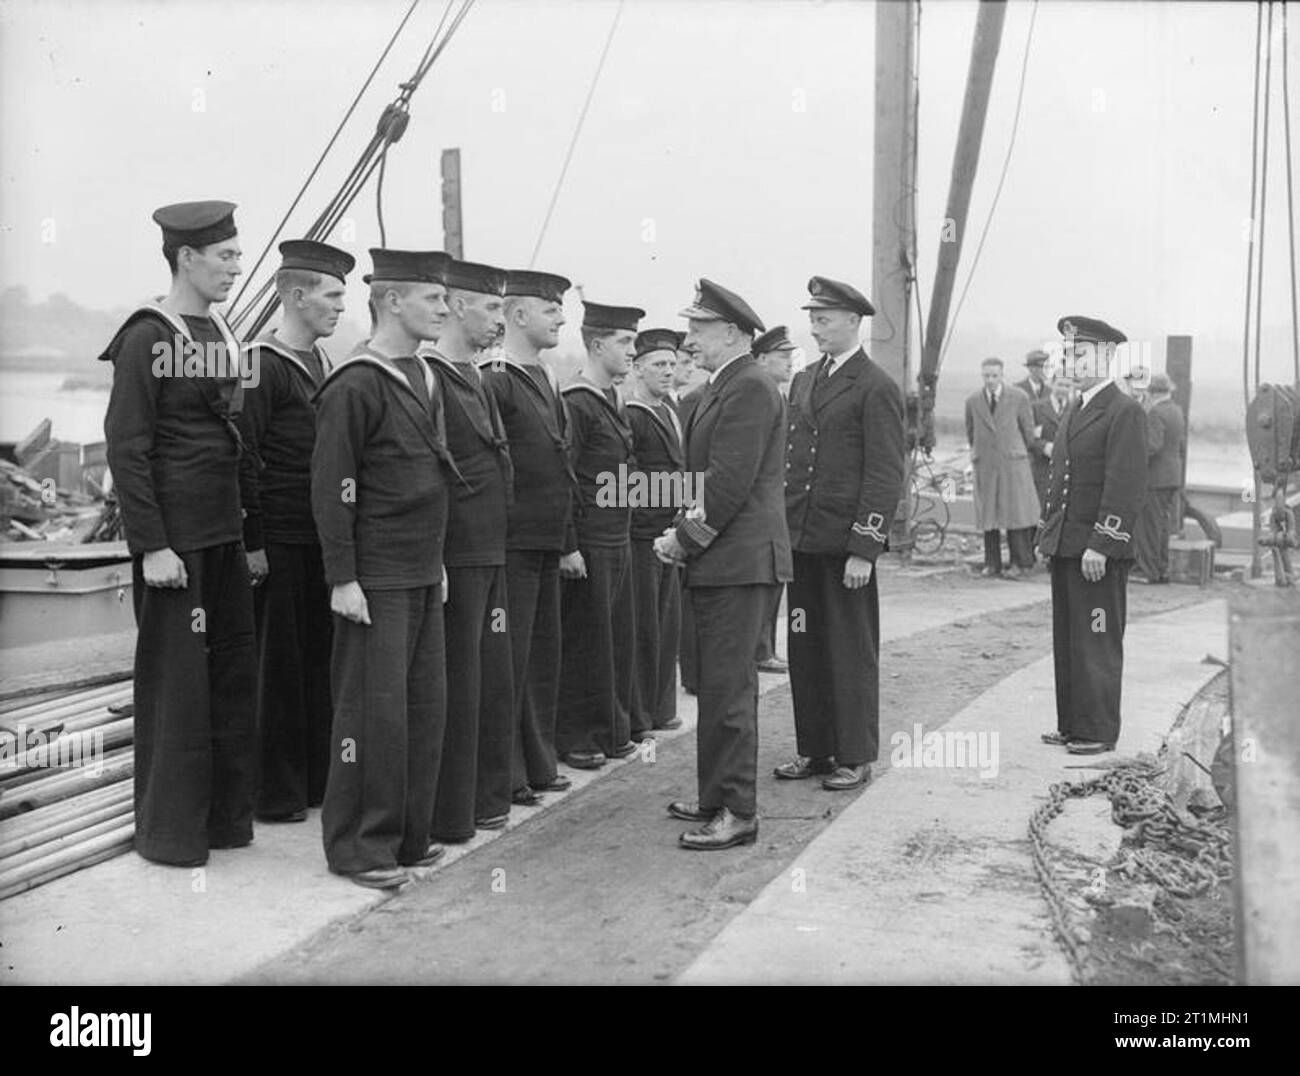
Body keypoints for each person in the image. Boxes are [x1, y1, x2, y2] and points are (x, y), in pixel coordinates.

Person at [101, 199, 257, 867]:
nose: (235, 267)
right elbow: (127, 447)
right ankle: (170, 836)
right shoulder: (147, 335)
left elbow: (233, 435)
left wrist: (246, 537)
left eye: (237, 254)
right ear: (186, 258)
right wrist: (154, 545)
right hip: (176, 546)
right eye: (225, 257)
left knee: (229, 682)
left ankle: (222, 823)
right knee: (179, 690)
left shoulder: (217, 331)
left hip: (221, 537)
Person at [311, 248, 457, 889]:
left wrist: (440, 562)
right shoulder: (356, 382)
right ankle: (358, 848)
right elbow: (332, 486)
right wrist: (343, 577)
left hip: (423, 571)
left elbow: (433, 477)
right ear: (393, 301)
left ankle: (404, 836)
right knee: (372, 718)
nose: (444, 309)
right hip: (375, 578)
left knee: (422, 710)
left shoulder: (424, 376)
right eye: (433, 299)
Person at [657, 278, 792, 850]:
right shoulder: (724, 386)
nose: (690, 341)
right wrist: (677, 529)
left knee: (732, 690)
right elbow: (700, 478)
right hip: (723, 562)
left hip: (739, 562)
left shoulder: (750, 388)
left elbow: (728, 483)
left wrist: (683, 540)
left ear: (732, 332)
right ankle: (715, 794)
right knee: (714, 686)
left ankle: (739, 810)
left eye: (698, 329)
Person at [237, 239, 354, 825]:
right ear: (298, 295)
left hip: (318, 541)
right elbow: (245, 458)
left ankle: (311, 783)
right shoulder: (261, 364)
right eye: (331, 295)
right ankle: (274, 794)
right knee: (278, 670)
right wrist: (254, 543)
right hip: (278, 541)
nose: (340, 306)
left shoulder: (324, 365)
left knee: (317, 665)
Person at [775, 276, 905, 792]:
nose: (816, 328)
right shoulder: (805, 380)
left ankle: (854, 753)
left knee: (849, 649)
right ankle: (816, 748)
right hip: (804, 539)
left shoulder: (876, 386)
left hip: (845, 545)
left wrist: (865, 547)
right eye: (812, 319)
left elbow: (884, 473)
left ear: (854, 322)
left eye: (824, 319)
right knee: (805, 644)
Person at [423, 259, 518, 841]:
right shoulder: (432, 374)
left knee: (488, 680)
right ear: (458, 308)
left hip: (490, 550)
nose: (499, 321)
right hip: (456, 554)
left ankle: (484, 798)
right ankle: (450, 812)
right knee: (456, 685)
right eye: (490, 308)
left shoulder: (475, 375)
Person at [482, 270, 576, 802]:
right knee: (509, 661)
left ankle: (537, 762)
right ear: (518, 316)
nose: (561, 318)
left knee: (541, 658)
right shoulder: (496, 377)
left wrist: (565, 540)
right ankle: (508, 772)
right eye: (550, 309)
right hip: (512, 541)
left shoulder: (544, 376)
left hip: (543, 539)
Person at [1037, 315, 1147, 755]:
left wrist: (1102, 543)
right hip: (1067, 545)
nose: (1070, 361)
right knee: (1069, 638)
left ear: (1106, 356)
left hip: (1096, 550)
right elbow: (1060, 478)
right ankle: (1073, 723)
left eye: (1078, 353)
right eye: (1067, 354)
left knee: (1096, 639)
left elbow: (1125, 486)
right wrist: (1049, 536)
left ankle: (1098, 729)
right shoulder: (1076, 407)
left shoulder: (1124, 411)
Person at [556, 301, 644, 769]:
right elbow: (565, 476)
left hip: (617, 536)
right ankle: (576, 736)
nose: (632, 351)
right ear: (596, 344)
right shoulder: (578, 402)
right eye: (624, 342)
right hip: (589, 541)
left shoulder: (612, 399)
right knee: (586, 642)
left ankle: (610, 728)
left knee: (613, 640)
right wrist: (568, 543)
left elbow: (620, 475)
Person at [626, 328, 686, 741]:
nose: (668, 372)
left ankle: (661, 708)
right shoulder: (632, 414)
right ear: (638, 369)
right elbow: (623, 482)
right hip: (643, 534)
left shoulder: (669, 411)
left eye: (671, 364)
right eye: (658, 365)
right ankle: (640, 713)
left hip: (669, 533)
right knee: (644, 626)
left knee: (667, 624)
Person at [965, 357, 1040, 577]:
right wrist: (981, 453)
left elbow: (1028, 431)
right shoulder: (973, 401)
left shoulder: (1019, 398)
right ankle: (992, 563)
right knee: (989, 517)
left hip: (1012, 463)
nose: (990, 380)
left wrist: (1017, 452)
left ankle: (1021, 562)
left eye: (994, 376)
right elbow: (971, 432)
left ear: (1002, 375)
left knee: (1015, 514)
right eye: (986, 376)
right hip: (986, 465)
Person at [751, 324, 797, 674]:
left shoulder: (778, 398)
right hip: (754, 514)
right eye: (783, 356)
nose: (790, 363)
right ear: (762, 359)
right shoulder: (759, 397)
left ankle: (765, 648)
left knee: (773, 588)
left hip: (775, 508)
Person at [1134, 373, 1186, 583]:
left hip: (1154, 479)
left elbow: (1152, 446)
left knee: (1148, 526)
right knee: (1163, 525)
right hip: (1172, 476)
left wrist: (1132, 461)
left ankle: (1146, 571)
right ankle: (1161, 569)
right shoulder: (1176, 411)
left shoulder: (1154, 412)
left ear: (1151, 392)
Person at [1029, 373, 1073, 508]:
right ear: (1052, 384)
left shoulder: (1075, 409)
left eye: (1067, 386)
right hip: (1042, 471)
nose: (1063, 389)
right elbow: (1028, 437)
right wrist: (1044, 447)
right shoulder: (1036, 408)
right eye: (1060, 384)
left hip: (1067, 473)